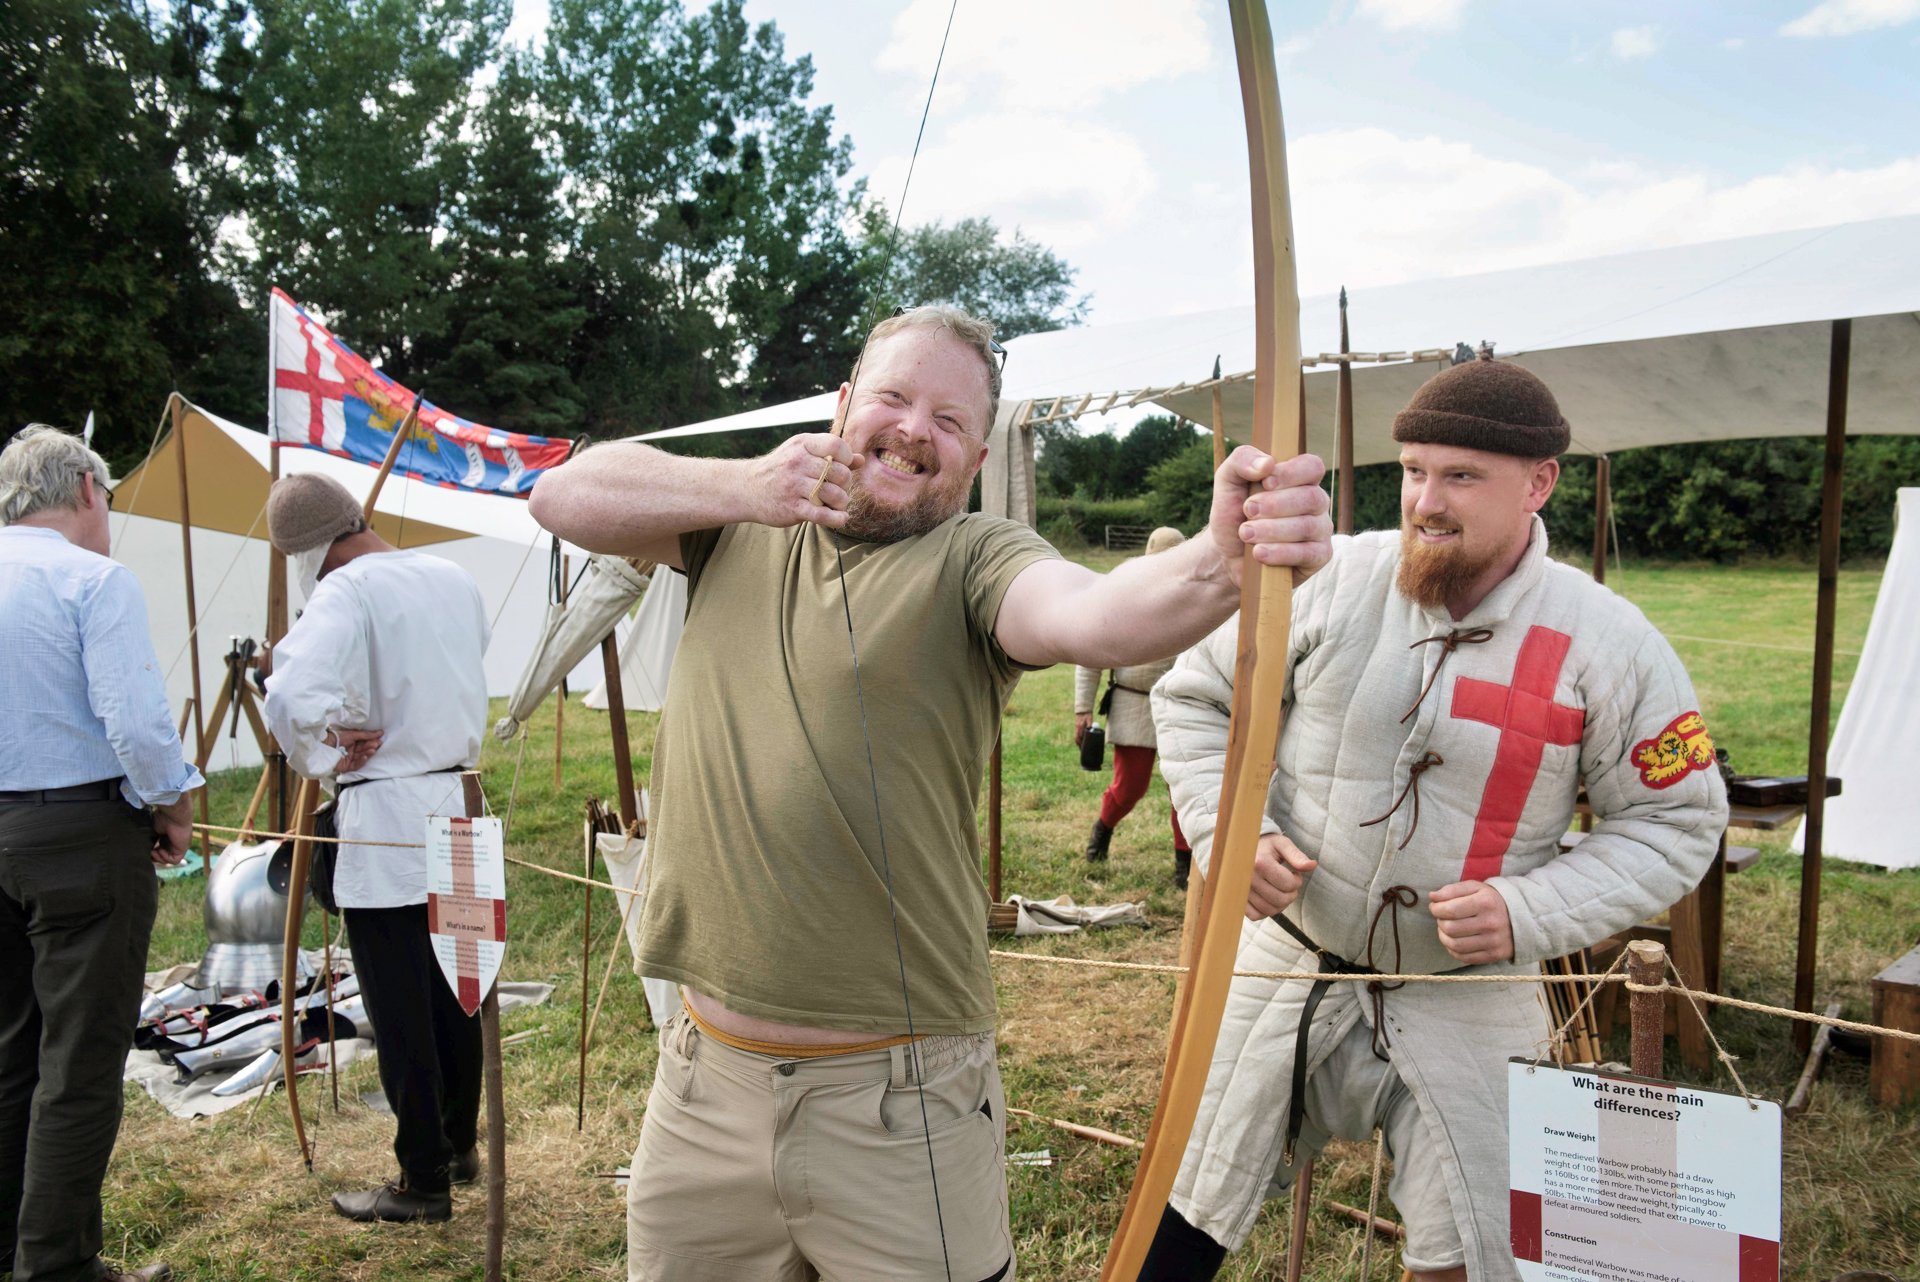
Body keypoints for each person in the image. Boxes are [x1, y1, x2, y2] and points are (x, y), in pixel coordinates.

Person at [528, 304, 1333, 1282]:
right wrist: (747, 484)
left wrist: (1218, 560)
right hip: (701, 1081)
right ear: (842, 405)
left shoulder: (976, 559)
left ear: (978, 456)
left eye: (950, 421)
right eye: (895, 398)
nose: (915, 429)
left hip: (899, 1100)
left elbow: (1093, 612)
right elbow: (561, 495)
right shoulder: (733, 525)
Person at [1139, 358, 1729, 1282]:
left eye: (1461, 476)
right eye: (1415, 470)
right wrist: (1231, 832)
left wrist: (1527, 911)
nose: (1426, 501)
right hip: (1288, 962)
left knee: (1476, 1252)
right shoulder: (1334, 578)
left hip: (1470, 995)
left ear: (1539, 483)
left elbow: (1676, 821)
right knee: (1176, 1215)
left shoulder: (1611, 642)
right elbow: (1195, 694)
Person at [261, 472, 490, 1225]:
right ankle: (458, 1146)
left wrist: (324, 749)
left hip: (389, 811)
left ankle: (423, 1177)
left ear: (305, 553)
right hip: (458, 799)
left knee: (402, 1003)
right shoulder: (451, 575)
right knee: (457, 988)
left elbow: (287, 694)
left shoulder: (344, 590)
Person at [0, 425, 200, 1282]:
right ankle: (54, 1267)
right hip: (76, 835)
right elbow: (138, 724)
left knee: (11, 1049)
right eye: (108, 499)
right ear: (86, 488)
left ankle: (12, 1251)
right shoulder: (91, 578)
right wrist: (174, 804)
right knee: (78, 1062)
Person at [1073, 525, 1195, 884]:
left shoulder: (1199, 597)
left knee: (1184, 790)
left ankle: (1185, 863)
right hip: (1134, 703)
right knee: (1130, 786)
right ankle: (1102, 830)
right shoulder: (1122, 595)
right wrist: (1083, 708)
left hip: (1181, 706)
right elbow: (1091, 650)